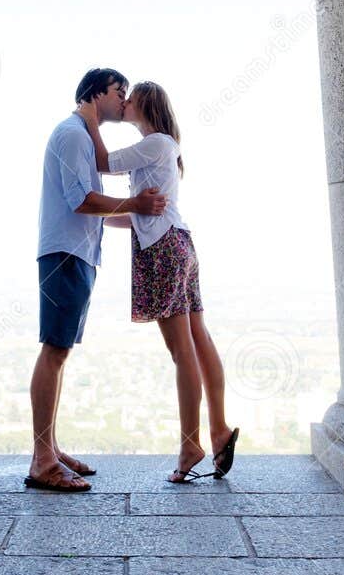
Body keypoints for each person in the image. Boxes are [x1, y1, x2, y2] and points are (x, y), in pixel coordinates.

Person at [79, 80, 239, 484]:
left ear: (146, 104)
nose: (125, 102)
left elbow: (102, 162)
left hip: (164, 250)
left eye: (131, 98)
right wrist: (92, 216)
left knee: (181, 351)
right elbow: (136, 213)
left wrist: (89, 118)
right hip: (178, 243)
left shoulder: (155, 142)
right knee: (199, 339)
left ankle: (191, 443)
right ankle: (218, 430)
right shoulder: (164, 148)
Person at [28, 67, 168, 493]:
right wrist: (137, 204)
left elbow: (97, 205)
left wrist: (142, 216)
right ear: (94, 93)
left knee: (61, 351)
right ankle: (41, 460)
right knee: (54, 350)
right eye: (117, 91)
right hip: (64, 255)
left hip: (80, 254)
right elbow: (82, 201)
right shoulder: (72, 134)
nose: (123, 99)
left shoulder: (83, 137)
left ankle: (50, 447)